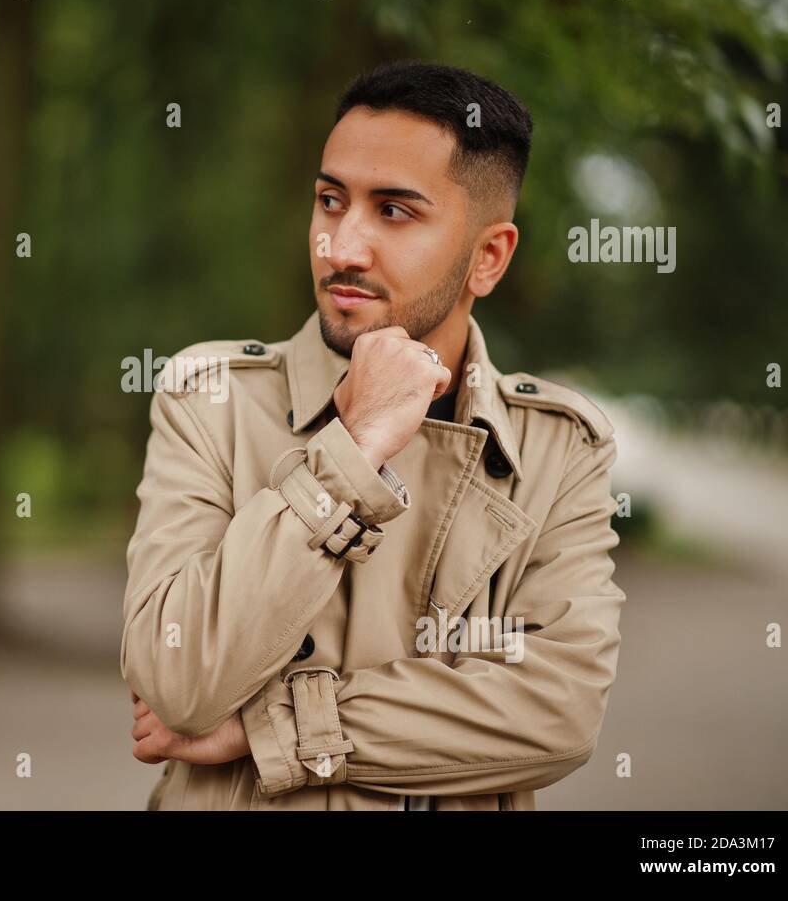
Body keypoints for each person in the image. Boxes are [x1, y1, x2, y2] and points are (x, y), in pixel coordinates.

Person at [120, 61, 624, 810]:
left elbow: (558, 710)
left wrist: (277, 727)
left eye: (394, 211)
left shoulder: (559, 450)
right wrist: (351, 448)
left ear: (488, 257)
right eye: (331, 201)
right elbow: (179, 681)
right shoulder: (212, 398)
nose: (341, 248)